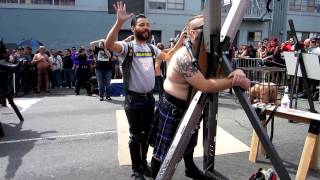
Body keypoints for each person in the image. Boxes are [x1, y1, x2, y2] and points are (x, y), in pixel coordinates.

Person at [150, 15, 251, 179]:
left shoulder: (207, 54)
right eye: (204, 29)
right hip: (172, 107)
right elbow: (205, 85)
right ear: (191, 33)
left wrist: (238, 73)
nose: (210, 34)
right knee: (163, 151)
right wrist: (234, 82)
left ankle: (190, 168)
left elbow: (225, 71)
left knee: (189, 142)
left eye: (210, 30)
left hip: (192, 105)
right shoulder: (184, 57)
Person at [105, 2, 185, 180]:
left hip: (149, 99)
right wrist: (119, 22)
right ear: (133, 28)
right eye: (142, 24)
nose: (146, 27)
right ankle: (137, 171)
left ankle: (144, 165)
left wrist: (180, 41)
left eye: (148, 25)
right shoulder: (127, 48)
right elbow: (109, 44)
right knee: (135, 136)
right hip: (133, 100)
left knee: (147, 134)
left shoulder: (151, 48)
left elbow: (168, 55)